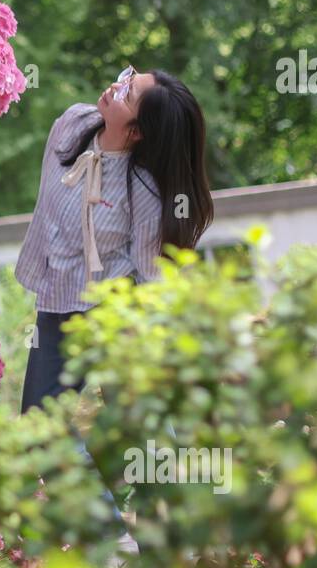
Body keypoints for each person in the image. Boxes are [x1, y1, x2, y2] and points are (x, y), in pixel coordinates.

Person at [16, 67, 213, 414]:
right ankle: (90, 467)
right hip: (57, 301)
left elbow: (152, 278)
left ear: (138, 131)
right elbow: (46, 214)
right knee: (37, 426)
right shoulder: (71, 124)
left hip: (114, 318)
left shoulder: (143, 190)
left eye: (128, 94)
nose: (116, 86)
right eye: (127, 78)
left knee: (137, 432)